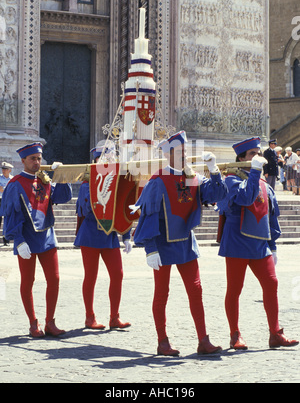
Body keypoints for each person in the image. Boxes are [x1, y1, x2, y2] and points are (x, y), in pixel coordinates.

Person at [133, 131, 228, 356]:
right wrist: (151, 249)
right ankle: (162, 341)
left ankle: (203, 340)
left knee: (196, 290)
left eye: (185, 151)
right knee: (162, 293)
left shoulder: (193, 176)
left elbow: (217, 194)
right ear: (168, 154)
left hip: (185, 241)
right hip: (162, 243)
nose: (184, 155)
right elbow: (149, 215)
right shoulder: (157, 181)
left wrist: (214, 171)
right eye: (179, 151)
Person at [217, 137, 299, 350]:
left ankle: (275, 333)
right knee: (235, 289)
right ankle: (235, 335)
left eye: (258, 153)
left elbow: (270, 216)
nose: (257, 157)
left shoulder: (263, 183)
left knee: (271, 284)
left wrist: (273, 246)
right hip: (237, 241)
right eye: (252, 154)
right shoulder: (230, 180)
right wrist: (254, 172)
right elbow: (245, 198)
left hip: (260, 244)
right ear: (241, 158)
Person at [0, 142, 72, 337]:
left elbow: (62, 198)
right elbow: (11, 214)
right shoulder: (15, 184)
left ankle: (50, 321)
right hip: (26, 238)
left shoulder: (45, 180)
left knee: (54, 279)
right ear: (23, 161)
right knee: (28, 281)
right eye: (32, 159)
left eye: (39, 158)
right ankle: (33, 323)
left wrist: (62, 178)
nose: (37, 162)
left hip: (47, 236)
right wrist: (18, 240)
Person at [74, 145, 132, 330]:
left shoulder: (118, 182)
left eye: (112, 158)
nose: (110, 161)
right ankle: (89, 317)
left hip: (109, 235)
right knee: (90, 276)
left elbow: (123, 209)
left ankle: (114, 317)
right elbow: (87, 210)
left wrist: (126, 236)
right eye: (106, 158)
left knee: (118, 274)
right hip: (91, 233)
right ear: (96, 160)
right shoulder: (86, 183)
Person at [0, 162, 14, 246]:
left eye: (5, 169)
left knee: (7, 220)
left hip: (8, 201)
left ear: (10, 170)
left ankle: (6, 240)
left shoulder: (13, 179)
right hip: (0, 199)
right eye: (3, 169)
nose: (3, 170)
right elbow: (1, 189)